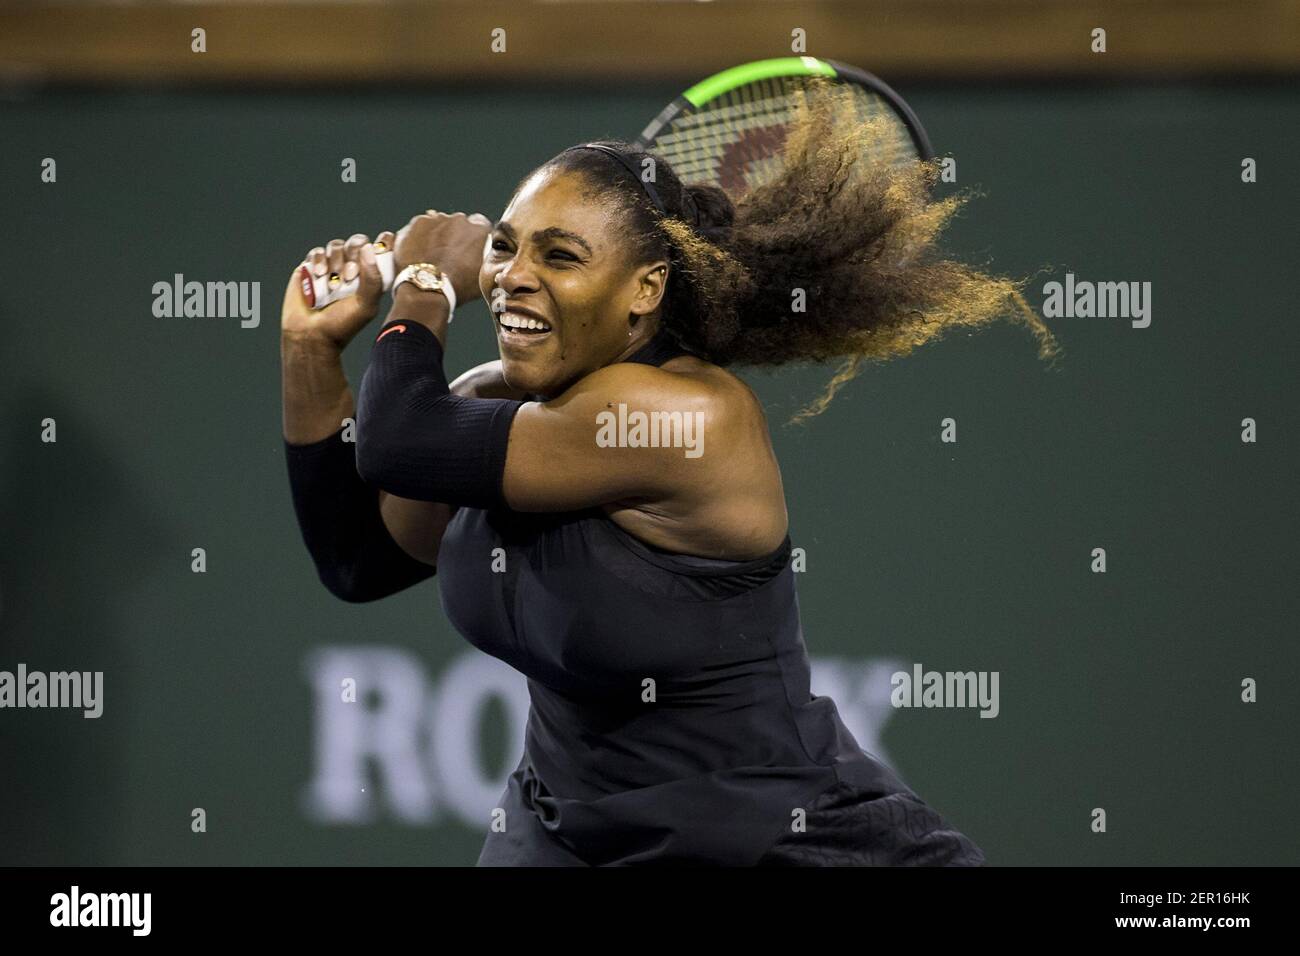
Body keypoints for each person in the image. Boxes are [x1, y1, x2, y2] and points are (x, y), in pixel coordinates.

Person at [281, 90, 1058, 865]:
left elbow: (397, 438)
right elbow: (359, 558)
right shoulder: (494, 399)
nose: (514, 277)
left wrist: (423, 282)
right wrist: (309, 349)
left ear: (646, 289)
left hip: (775, 845)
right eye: (506, 248)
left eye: (560, 256)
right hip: (562, 837)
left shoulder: (686, 419)